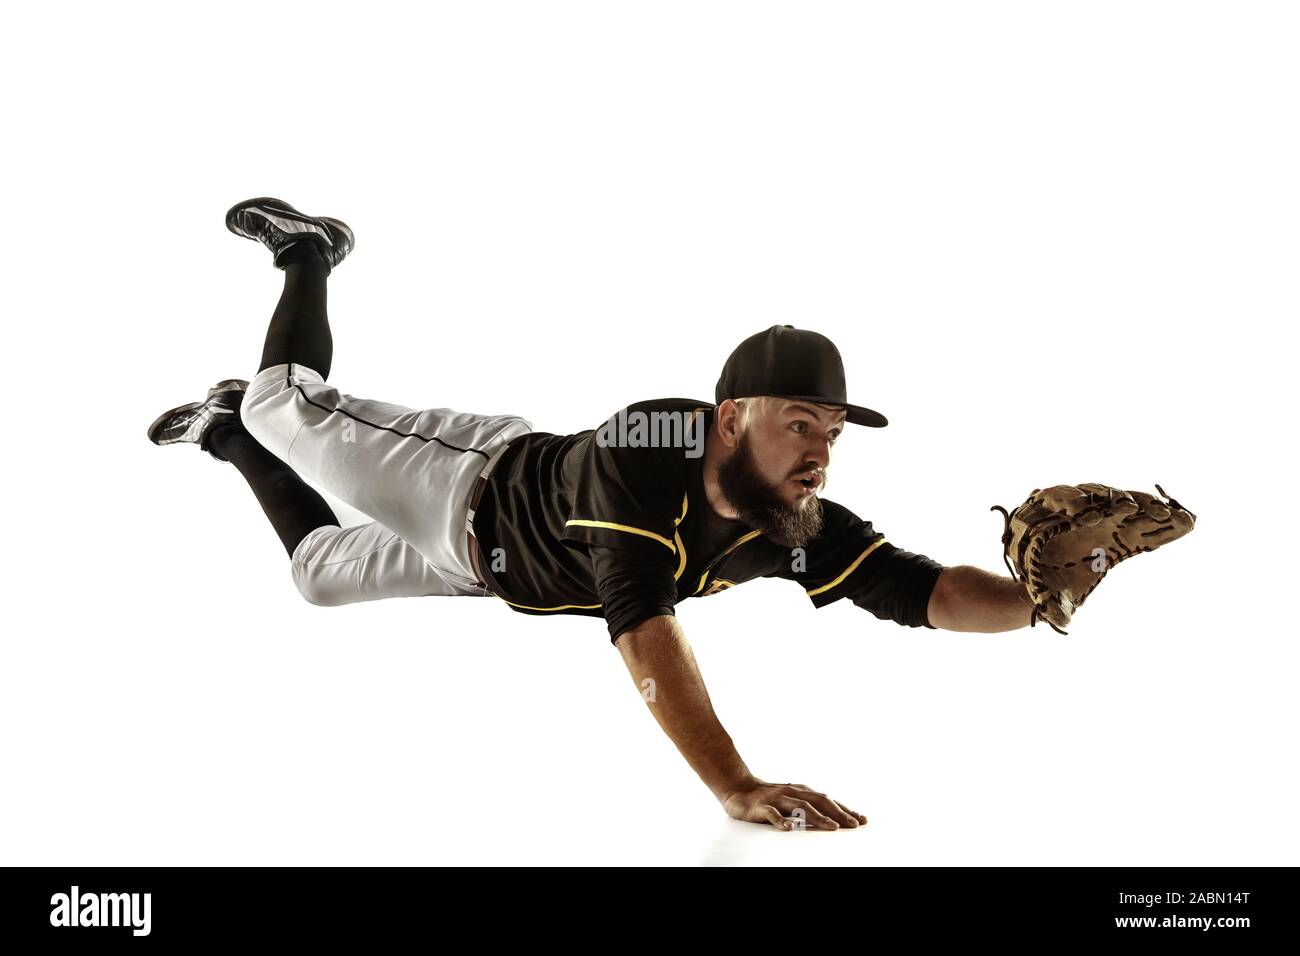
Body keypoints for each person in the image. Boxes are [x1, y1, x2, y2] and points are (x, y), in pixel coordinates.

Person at [149, 198, 1035, 832]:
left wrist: (1040, 600)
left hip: (486, 569)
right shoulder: (646, 447)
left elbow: (925, 593)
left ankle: (227, 434)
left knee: (316, 577)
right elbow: (642, 623)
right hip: (461, 485)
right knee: (286, 404)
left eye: (833, 430)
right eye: (798, 422)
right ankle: (309, 252)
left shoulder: (793, 520)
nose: (821, 450)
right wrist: (735, 782)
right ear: (729, 418)